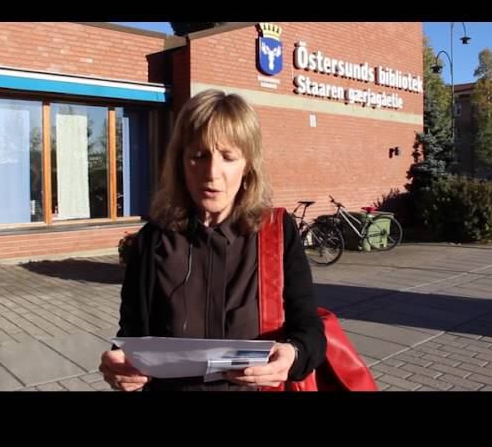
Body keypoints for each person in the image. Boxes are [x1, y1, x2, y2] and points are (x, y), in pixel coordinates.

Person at [99, 89, 326, 391]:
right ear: (181, 162)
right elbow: (132, 334)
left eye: (228, 157)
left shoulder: (277, 232)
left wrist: (294, 355)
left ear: (247, 165)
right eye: (198, 156)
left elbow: (309, 330)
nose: (211, 173)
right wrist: (120, 367)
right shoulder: (152, 240)